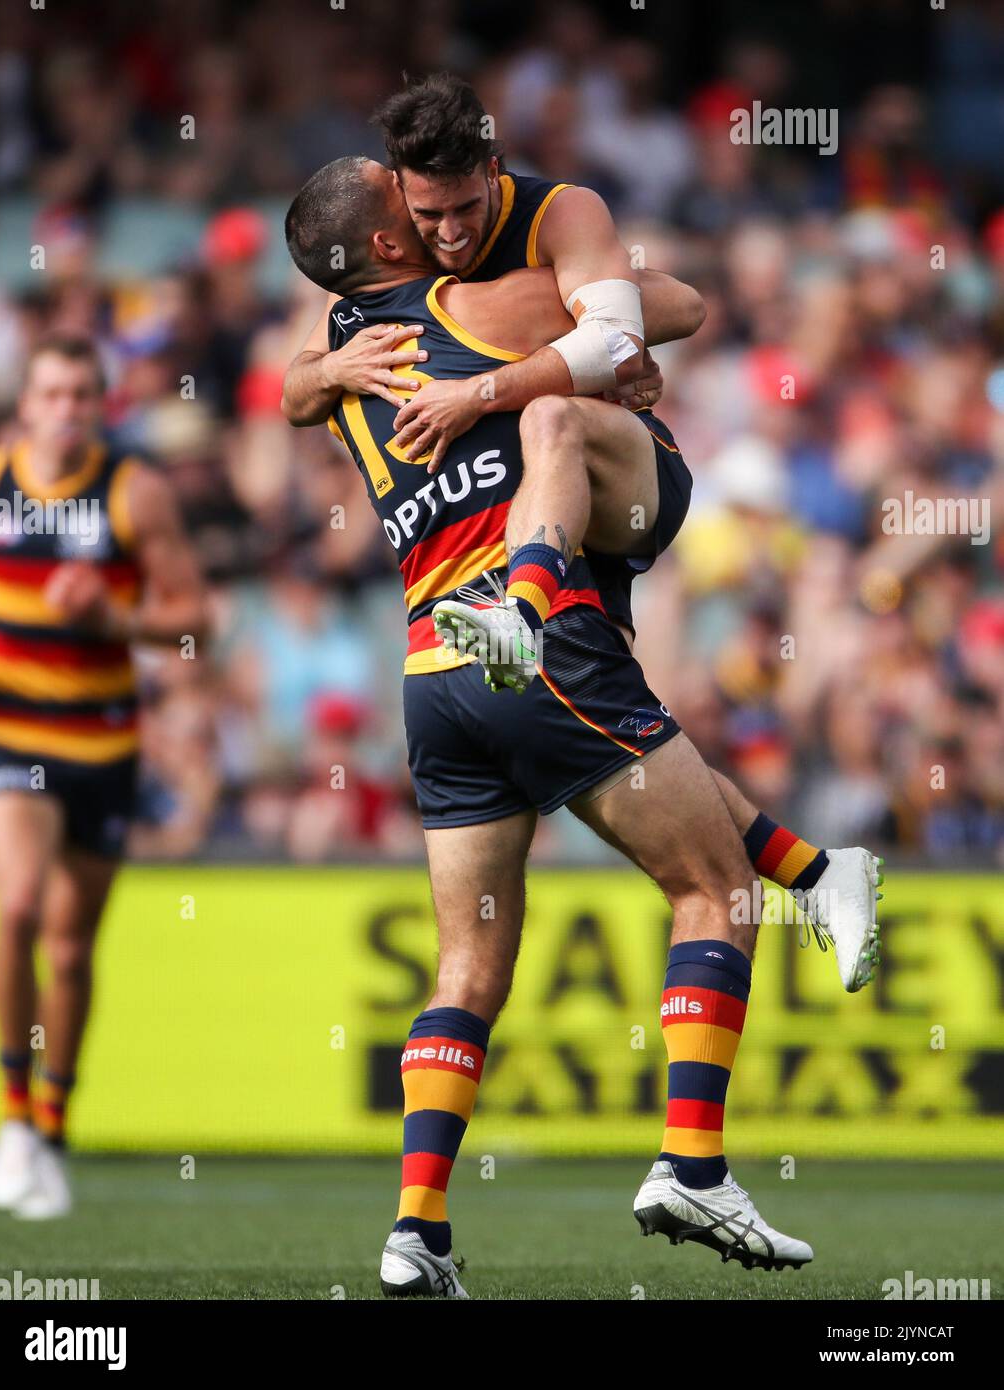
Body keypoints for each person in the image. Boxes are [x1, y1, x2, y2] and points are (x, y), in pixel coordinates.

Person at [285, 159, 880, 1297]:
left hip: (428, 670)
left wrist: (307, 369)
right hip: (537, 634)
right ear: (391, 241)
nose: (437, 213)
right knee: (714, 891)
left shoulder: (343, 362)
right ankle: (694, 1161)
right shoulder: (473, 303)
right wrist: (601, 318)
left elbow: (291, 390)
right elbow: (680, 308)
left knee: (466, 967)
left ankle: (418, 1232)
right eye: (407, 203)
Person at [0, 334, 209, 1219]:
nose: (66, 408)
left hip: (103, 747)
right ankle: (8, 1116)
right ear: (26, 403)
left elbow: (196, 618)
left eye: (83, 394)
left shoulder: (132, 491)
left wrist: (115, 613)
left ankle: (49, 1124)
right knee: (19, 905)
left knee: (71, 950)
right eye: (52, 393)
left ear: (100, 405)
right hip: (3, 737)